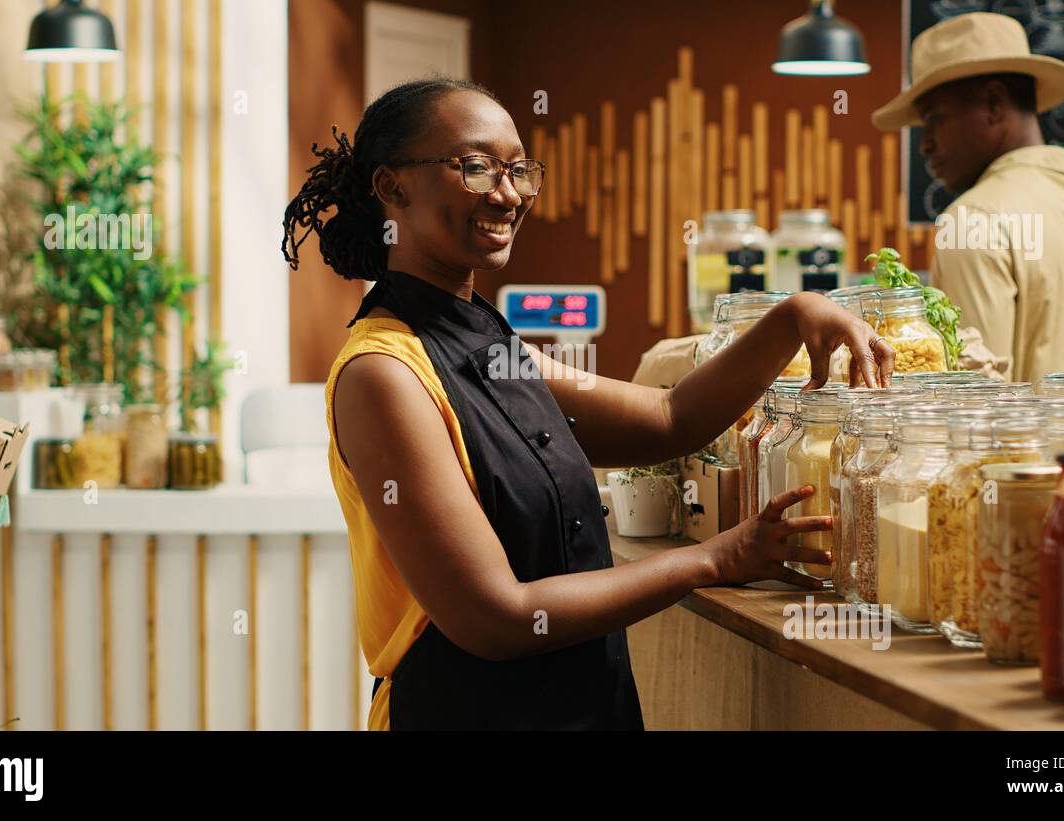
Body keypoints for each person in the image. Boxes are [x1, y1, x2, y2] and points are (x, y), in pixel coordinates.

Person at [283, 78, 895, 730]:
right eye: (475, 166)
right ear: (391, 188)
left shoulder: (487, 340)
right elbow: (496, 616)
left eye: (519, 168)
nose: (508, 193)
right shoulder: (384, 374)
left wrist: (793, 316)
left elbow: (671, 419)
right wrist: (711, 559)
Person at [872, 12, 1064, 382]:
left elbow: (975, 404)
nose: (925, 145)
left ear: (995, 103)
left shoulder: (973, 220)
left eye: (934, 119)